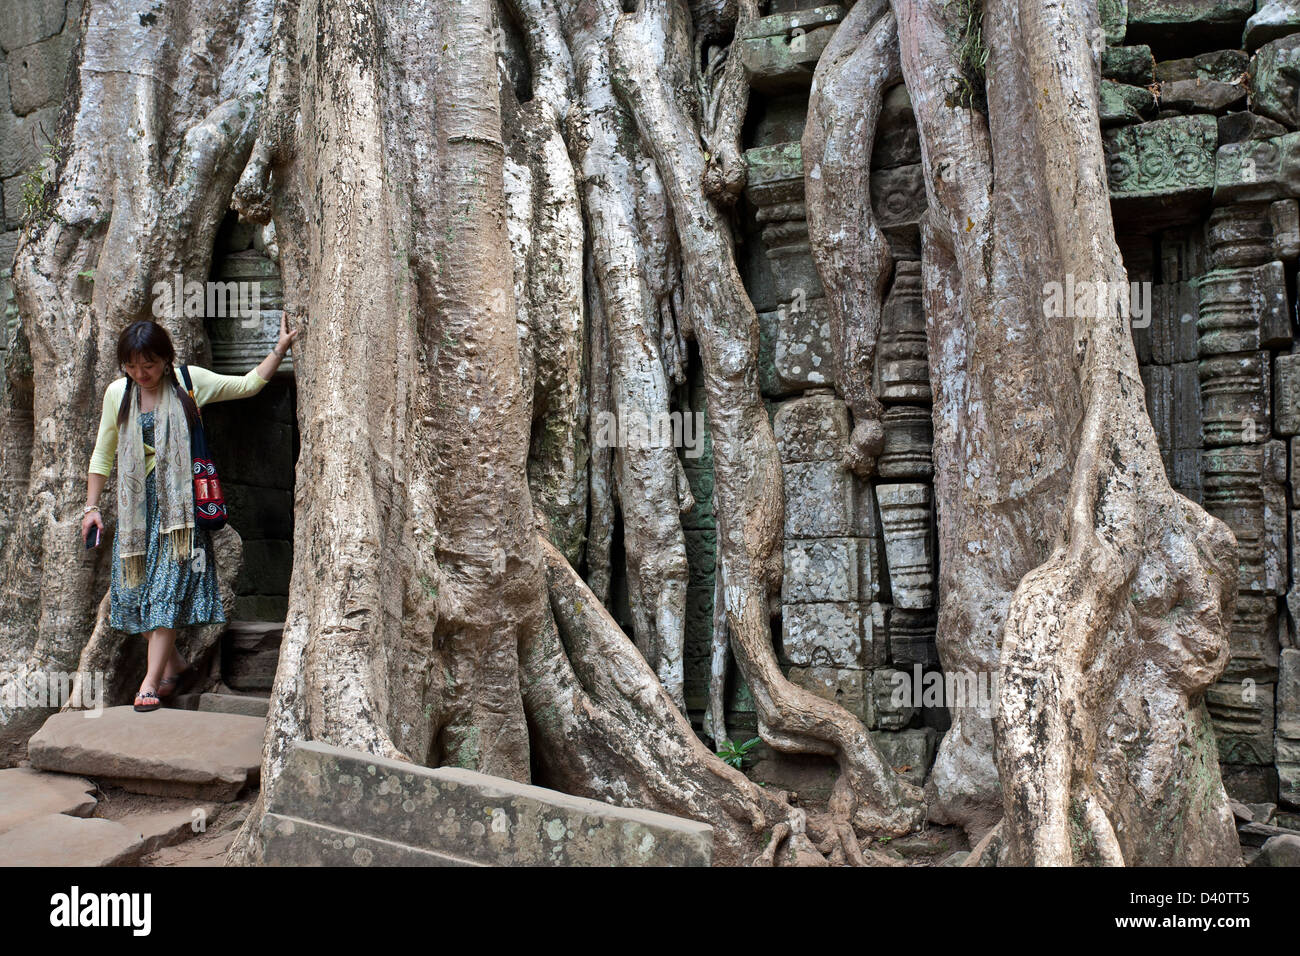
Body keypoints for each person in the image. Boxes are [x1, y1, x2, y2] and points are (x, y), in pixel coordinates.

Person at [81, 315, 299, 712]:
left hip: (180, 513)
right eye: (131, 366)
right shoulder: (118, 393)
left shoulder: (188, 381)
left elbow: (247, 385)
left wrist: (280, 349)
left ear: (166, 358)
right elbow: (103, 454)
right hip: (135, 513)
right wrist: (91, 507)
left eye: (148, 364)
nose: (140, 373)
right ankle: (175, 664)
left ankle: (150, 682)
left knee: (164, 591)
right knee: (129, 599)